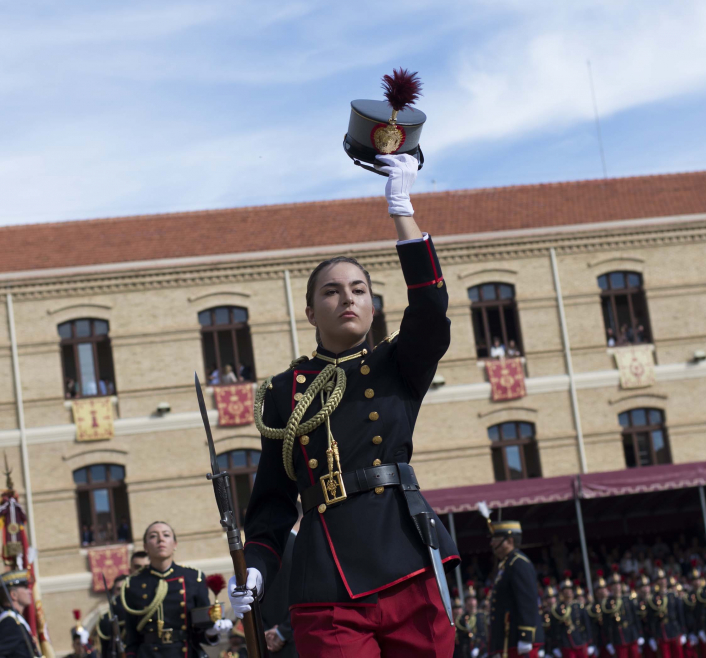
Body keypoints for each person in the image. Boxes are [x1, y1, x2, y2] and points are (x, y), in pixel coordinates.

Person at [232, 154, 459, 657]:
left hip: (406, 557)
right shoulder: (282, 392)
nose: (348, 299)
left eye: (359, 290)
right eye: (332, 292)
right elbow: (271, 500)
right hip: (326, 583)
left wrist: (401, 209)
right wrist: (256, 566)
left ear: (373, 306)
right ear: (311, 311)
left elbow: (430, 309)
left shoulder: (398, 364)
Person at [121, 521, 231, 656]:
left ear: (175, 544)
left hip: (184, 652)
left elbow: (201, 629)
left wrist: (211, 631)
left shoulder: (193, 578)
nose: (160, 539)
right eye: (153, 536)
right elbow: (131, 635)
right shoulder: (133, 583)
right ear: (145, 547)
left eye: (166, 535)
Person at [488, 520, 541, 657]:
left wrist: (526, 636)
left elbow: (527, 602)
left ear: (509, 540)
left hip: (518, 638)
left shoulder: (518, 563)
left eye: (496, 539)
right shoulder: (508, 564)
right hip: (509, 638)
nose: (492, 543)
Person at [259, 510, 300, 657]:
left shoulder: (256, 552)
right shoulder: (301, 546)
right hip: (297, 639)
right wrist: (282, 631)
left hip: (265, 641)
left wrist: (263, 631)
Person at [640, 568, 686, 658]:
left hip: (674, 630)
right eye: (659, 579)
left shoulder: (673, 596)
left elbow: (680, 615)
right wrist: (651, 636)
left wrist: (683, 631)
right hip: (661, 632)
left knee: (678, 655)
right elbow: (651, 619)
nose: (662, 582)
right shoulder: (653, 600)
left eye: (663, 579)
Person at [548, 572, 592, 658]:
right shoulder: (557, 609)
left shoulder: (579, 606)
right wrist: (555, 646)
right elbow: (554, 629)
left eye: (570, 589)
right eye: (565, 589)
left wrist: (590, 643)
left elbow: (587, 625)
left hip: (580, 640)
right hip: (566, 643)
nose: (568, 591)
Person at [602, 568, 642, 658]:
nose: (616, 587)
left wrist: (639, 634)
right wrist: (608, 641)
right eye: (614, 585)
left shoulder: (628, 599)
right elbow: (606, 624)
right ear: (610, 587)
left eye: (618, 584)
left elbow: (635, 618)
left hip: (632, 634)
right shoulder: (607, 604)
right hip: (619, 636)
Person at [0, 570, 39, 658]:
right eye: (25, 587)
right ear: (13, 595)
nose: (29, 591)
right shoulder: (10, 623)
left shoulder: (15, 620)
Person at [96, 573, 128, 656]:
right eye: (118, 589)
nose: (121, 593)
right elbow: (105, 649)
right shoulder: (105, 619)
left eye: (124, 589)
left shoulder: (138, 613)